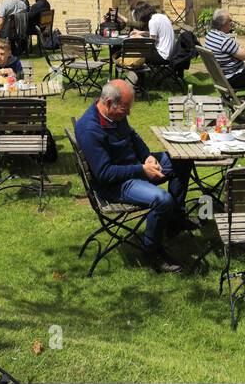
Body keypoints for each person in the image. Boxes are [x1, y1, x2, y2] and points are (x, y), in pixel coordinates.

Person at [74, 80, 194, 273]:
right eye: (124, 109)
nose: (128, 113)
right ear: (108, 101)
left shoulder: (115, 114)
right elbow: (104, 174)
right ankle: (152, 250)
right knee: (162, 200)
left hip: (134, 167)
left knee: (183, 159)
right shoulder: (90, 129)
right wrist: (141, 169)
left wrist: (147, 157)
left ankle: (175, 219)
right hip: (116, 184)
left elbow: (133, 137)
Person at [204, 9, 245, 94]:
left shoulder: (209, 35)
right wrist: (237, 45)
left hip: (222, 78)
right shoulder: (225, 41)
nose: (231, 23)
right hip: (235, 77)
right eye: (230, 21)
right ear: (224, 24)